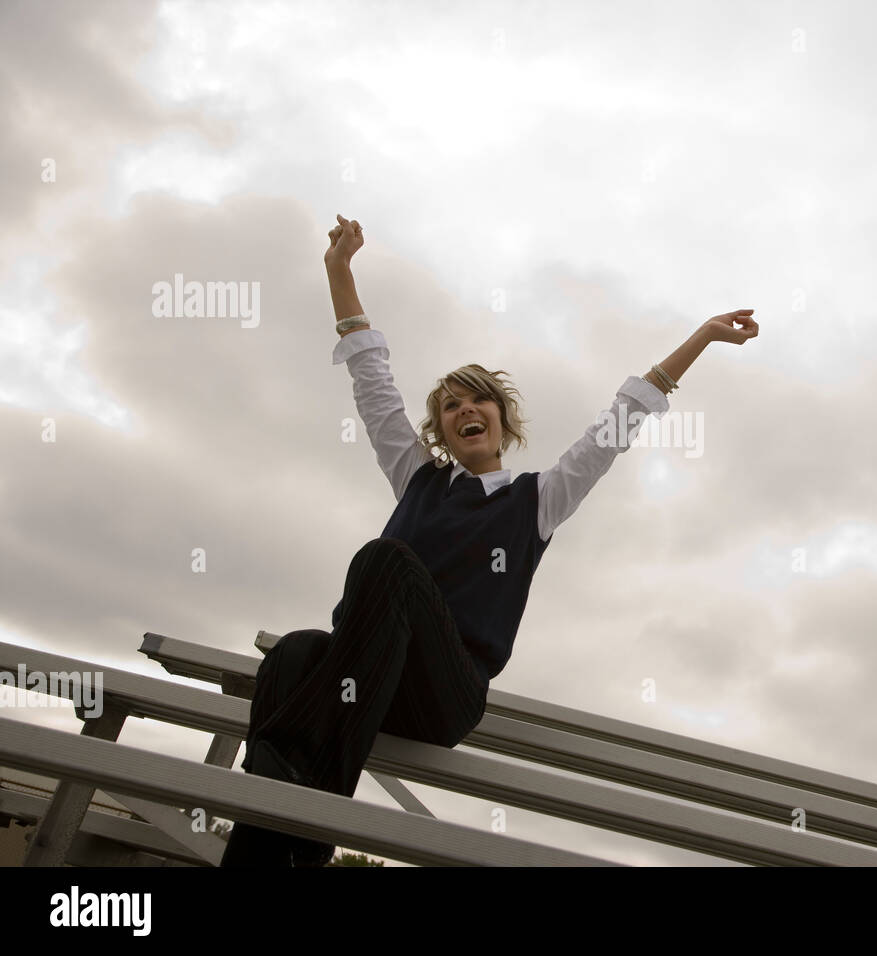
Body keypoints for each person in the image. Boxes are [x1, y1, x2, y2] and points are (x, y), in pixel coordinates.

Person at [220, 214, 759, 866]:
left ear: (503, 421)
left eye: (477, 401)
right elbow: (372, 382)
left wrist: (701, 335)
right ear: (441, 432)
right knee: (293, 656)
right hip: (361, 681)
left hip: (440, 695)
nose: (464, 410)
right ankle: (274, 846)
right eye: (450, 406)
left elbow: (621, 422)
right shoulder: (418, 478)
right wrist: (339, 272)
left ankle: (301, 804)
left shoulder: (538, 500)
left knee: (386, 563)